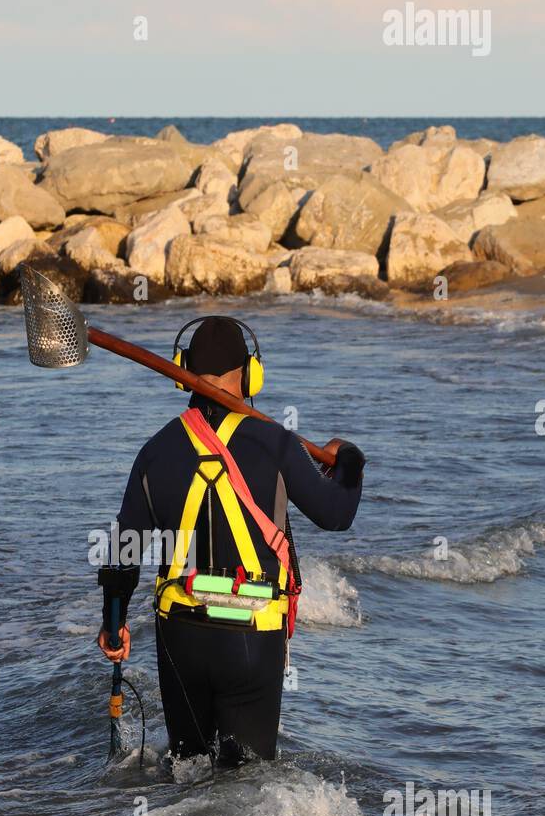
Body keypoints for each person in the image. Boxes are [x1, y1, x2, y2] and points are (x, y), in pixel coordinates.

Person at [95, 315, 364, 766]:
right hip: (252, 635)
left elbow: (124, 548)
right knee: (247, 785)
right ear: (250, 373)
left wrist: (114, 620)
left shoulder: (155, 450)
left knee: (187, 777)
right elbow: (337, 515)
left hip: (180, 634)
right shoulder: (276, 443)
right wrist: (351, 460)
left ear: (184, 371)